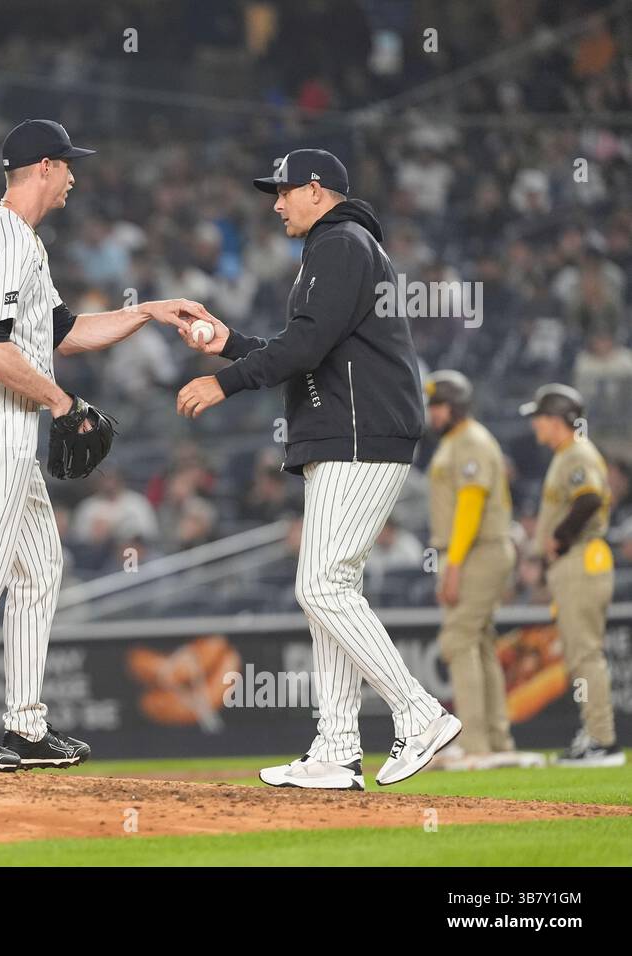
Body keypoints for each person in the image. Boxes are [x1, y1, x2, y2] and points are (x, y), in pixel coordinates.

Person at [0, 119, 201, 771]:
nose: (75, 176)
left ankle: (25, 728)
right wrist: (62, 403)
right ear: (44, 167)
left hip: (11, 415)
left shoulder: (25, 242)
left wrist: (145, 311)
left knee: (40, 567)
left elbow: (63, 333)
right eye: (69, 165)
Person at [178, 149, 460, 790]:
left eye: (282, 192)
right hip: (350, 429)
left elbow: (304, 347)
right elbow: (308, 353)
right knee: (331, 591)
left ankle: (419, 713)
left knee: (322, 587)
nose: (275, 204)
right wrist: (230, 345)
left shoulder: (340, 242)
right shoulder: (343, 245)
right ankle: (336, 749)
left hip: (360, 434)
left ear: (315, 189)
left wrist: (225, 381)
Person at [425, 370, 542, 771]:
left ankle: (475, 743)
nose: (433, 414)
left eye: (438, 406)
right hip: (473, 552)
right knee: (479, 642)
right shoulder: (460, 442)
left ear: (454, 406)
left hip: (478, 551)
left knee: (457, 640)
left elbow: (471, 508)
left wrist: (453, 564)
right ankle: (495, 739)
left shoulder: (471, 441)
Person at [521, 383, 625, 766]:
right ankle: (595, 736)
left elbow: (590, 499)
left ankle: (603, 741)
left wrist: (559, 540)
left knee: (586, 653)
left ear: (556, 419)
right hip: (574, 561)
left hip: (583, 558)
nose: (535, 425)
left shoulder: (578, 452)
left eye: (540, 417)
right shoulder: (567, 454)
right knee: (581, 655)